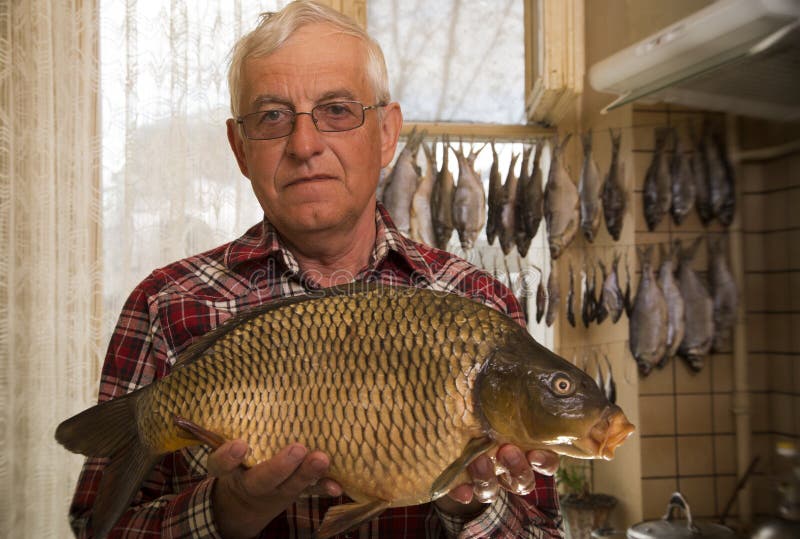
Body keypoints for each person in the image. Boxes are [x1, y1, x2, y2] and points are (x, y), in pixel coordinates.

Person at [68, 1, 563, 537]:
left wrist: (469, 504)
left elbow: (542, 529)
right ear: (240, 148)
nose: (305, 146)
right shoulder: (166, 304)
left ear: (387, 134)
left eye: (338, 110)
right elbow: (99, 528)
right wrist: (228, 511)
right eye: (273, 116)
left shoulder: (479, 305)